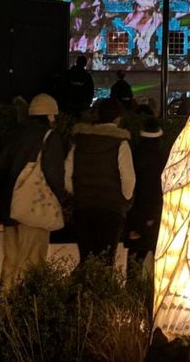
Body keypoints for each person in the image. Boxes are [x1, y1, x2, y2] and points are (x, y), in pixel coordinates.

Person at [0, 93, 65, 291]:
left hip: (10, 209)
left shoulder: (14, 135)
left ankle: (5, 308)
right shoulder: (49, 138)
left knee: (11, 262)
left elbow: (0, 169)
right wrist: (57, 199)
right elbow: (54, 175)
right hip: (34, 209)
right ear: (50, 116)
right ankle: (26, 310)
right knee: (32, 263)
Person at [66, 97, 135, 264]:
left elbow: (67, 173)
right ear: (118, 118)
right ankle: (99, 289)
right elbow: (128, 179)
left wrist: (78, 193)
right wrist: (124, 200)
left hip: (83, 207)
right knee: (105, 260)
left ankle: (81, 289)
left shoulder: (80, 140)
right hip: (111, 208)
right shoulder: (120, 142)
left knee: (86, 258)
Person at [123, 117, 167, 266]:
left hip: (136, 212)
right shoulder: (163, 157)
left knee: (135, 259)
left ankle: (132, 287)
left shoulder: (134, 154)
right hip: (158, 212)